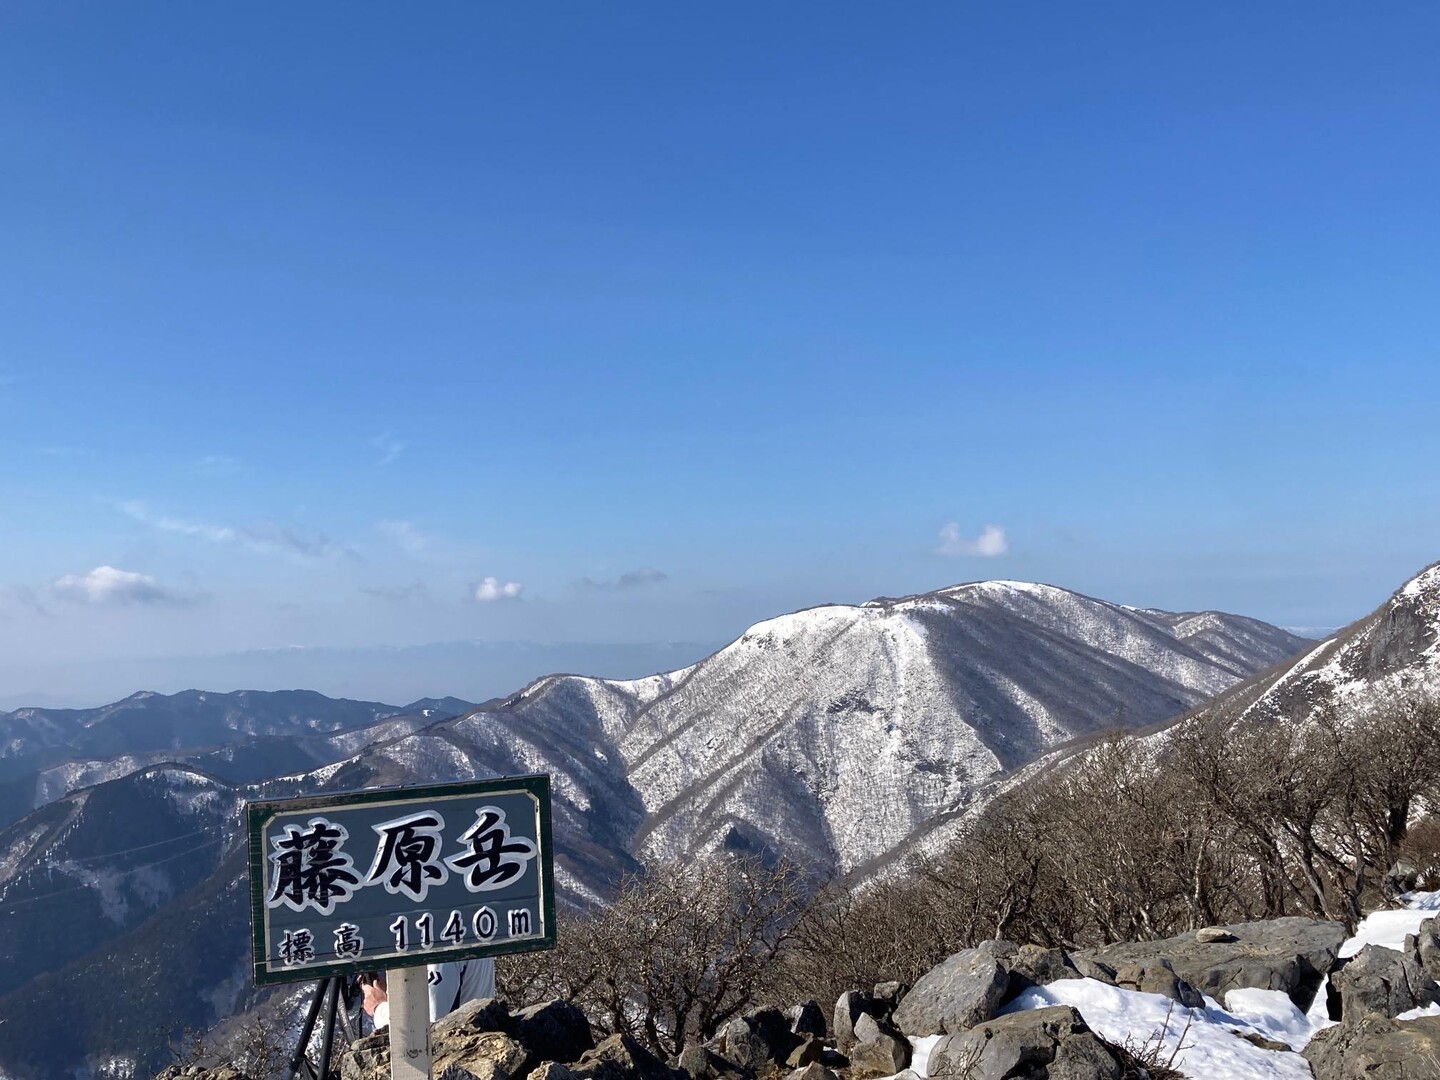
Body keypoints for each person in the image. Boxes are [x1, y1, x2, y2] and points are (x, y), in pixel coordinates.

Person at [360, 957, 496, 1031]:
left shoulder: (438, 938)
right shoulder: (462, 922)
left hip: (454, 1062)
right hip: (476, 1049)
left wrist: (379, 1008)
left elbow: (425, 1024)